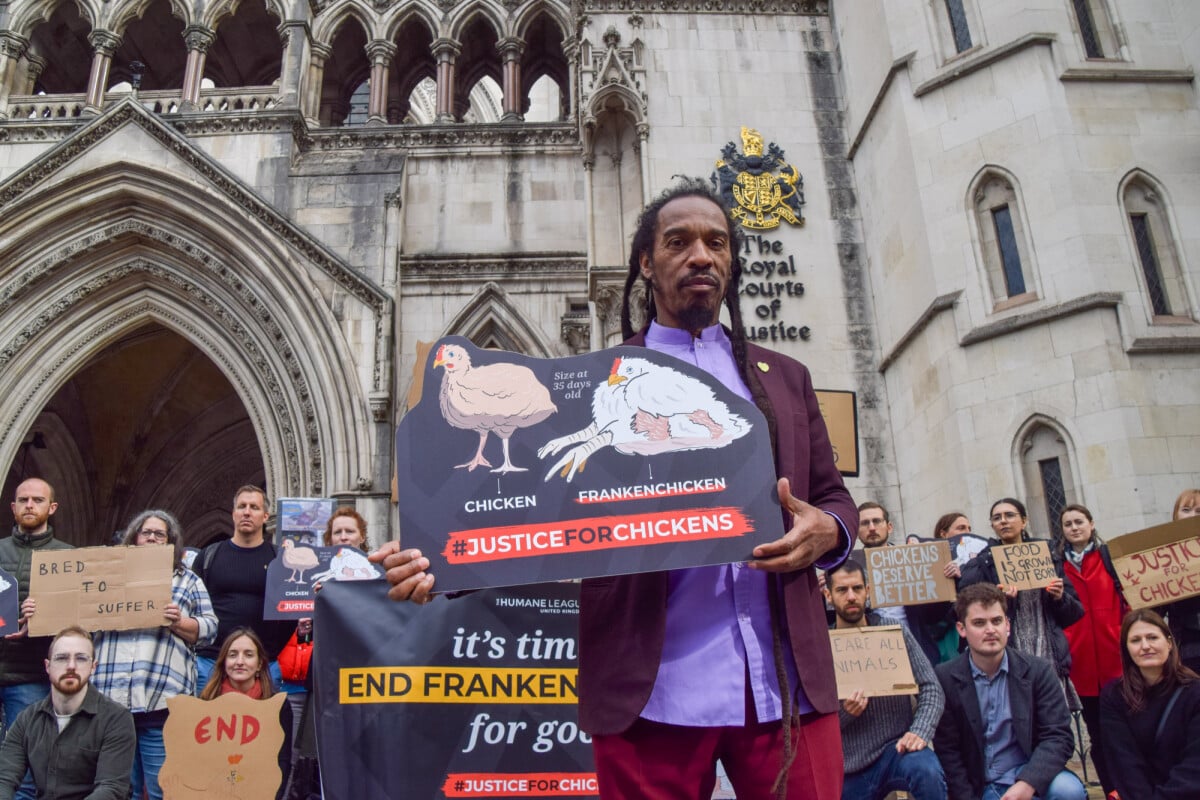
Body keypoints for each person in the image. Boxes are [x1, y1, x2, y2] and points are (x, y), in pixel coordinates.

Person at [374, 179, 857, 799]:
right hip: (651, 687)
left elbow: (834, 497)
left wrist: (829, 531)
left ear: (732, 261)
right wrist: (437, 560)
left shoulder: (786, 379)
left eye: (716, 242)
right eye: (678, 242)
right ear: (646, 264)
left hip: (784, 682)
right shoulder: (596, 380)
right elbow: (530, 509)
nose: (700, 256)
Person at [91, 510, 217, 800]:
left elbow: (210, 629)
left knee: (164, 788)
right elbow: (80, 622)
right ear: (134, 538)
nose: (151, 537)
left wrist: (180, 622)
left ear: (170, 543)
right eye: (145, 532)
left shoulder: (188, 581)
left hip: (160, 702)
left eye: (159, 534)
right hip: (111, 699)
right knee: (119, 789)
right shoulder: (107, 578)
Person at [934, 583, 1087, 800]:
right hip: (982, 785)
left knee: (1069, 791)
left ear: (1007, 625)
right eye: (979, 623)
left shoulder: (1038, 671)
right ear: (961, 629)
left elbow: (1058, 736)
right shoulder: (945, 677)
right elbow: (948, 752)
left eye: (996, 621)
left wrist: (1028, 783)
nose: (990, 630)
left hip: (1029, 774)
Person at [825, 561, 946, 800]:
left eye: (857, 589)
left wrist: (920, 731)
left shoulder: (894, 631)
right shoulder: (822, 644)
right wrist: (845, 713)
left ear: (868, 591)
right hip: (849, 765)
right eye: (842, 590)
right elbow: (813, 719)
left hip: (897, 748)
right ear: (828, 595)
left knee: (927, 771)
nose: (851, 596)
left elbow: (931, 689)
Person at [958, 498, 1084, 701]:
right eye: (997, 518)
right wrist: (1001, 601)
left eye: (1009, 515)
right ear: (992, 525)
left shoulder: (1046, 555)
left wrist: (1059, 597)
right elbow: (964, 607)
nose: (1003, 521)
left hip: (1048, 652)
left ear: (1023, 521)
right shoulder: (982, 563)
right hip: (1008, 652)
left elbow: (1075, 612)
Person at [0, 478, 74, 800]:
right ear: (13, 507)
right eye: (23, 500)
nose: (30, 505)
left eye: (37, 500)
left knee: (25, 766)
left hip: (29, 675)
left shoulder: (69, 558)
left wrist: (44, 620)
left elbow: (81, 623)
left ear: (51, 508)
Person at [0, 626, 135, 800]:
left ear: (93, 666)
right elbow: (5, 779)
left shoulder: (116, 718)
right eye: (62, 658)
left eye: (81, 658)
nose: (71, 666)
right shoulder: (27, 718)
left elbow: (111, 789)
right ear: (48, 666)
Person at [192, 486, 293, 693]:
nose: (247, 512)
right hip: (210, 660)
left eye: (254, 507)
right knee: (207, 723)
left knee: (264, 725)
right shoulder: (208, 556)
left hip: (264, 663)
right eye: (242, 507)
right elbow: (193, 606)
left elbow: (289, 613)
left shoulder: (280, 561)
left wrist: (270, 650)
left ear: (265, 516)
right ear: (233, 514)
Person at [1056, 504, 1125, 797]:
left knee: (1126, 730)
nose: (1074, 527)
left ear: (1091, 524)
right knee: (1098, 734)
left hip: (1117, 659)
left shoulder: (1110, 558)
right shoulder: (1059, 565)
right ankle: (1111, 789)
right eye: (1068, 523)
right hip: (1082, 662)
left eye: (1079, 521)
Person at [1100, 609, 1200, 800]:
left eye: (1152, 637)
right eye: (1135, 640)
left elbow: (1195, 764)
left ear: (1169, 643)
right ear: (1126, 649)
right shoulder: (1114, 696)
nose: (1145, 646)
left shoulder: (1195, 692)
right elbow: (1124, 763)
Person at [199, 628, 293, 800]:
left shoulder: (279, 707)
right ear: (223, 662)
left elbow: (282, 761)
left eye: (248, 655)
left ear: (259, 664)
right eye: (233, 655)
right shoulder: (206, 702)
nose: (239, 661)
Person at [1164, 489, 1200, 672]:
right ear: (1176, 514)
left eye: (1199, 511)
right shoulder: (1162, 554)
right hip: (1186, 648)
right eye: (1186, 509)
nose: (1192, 515)